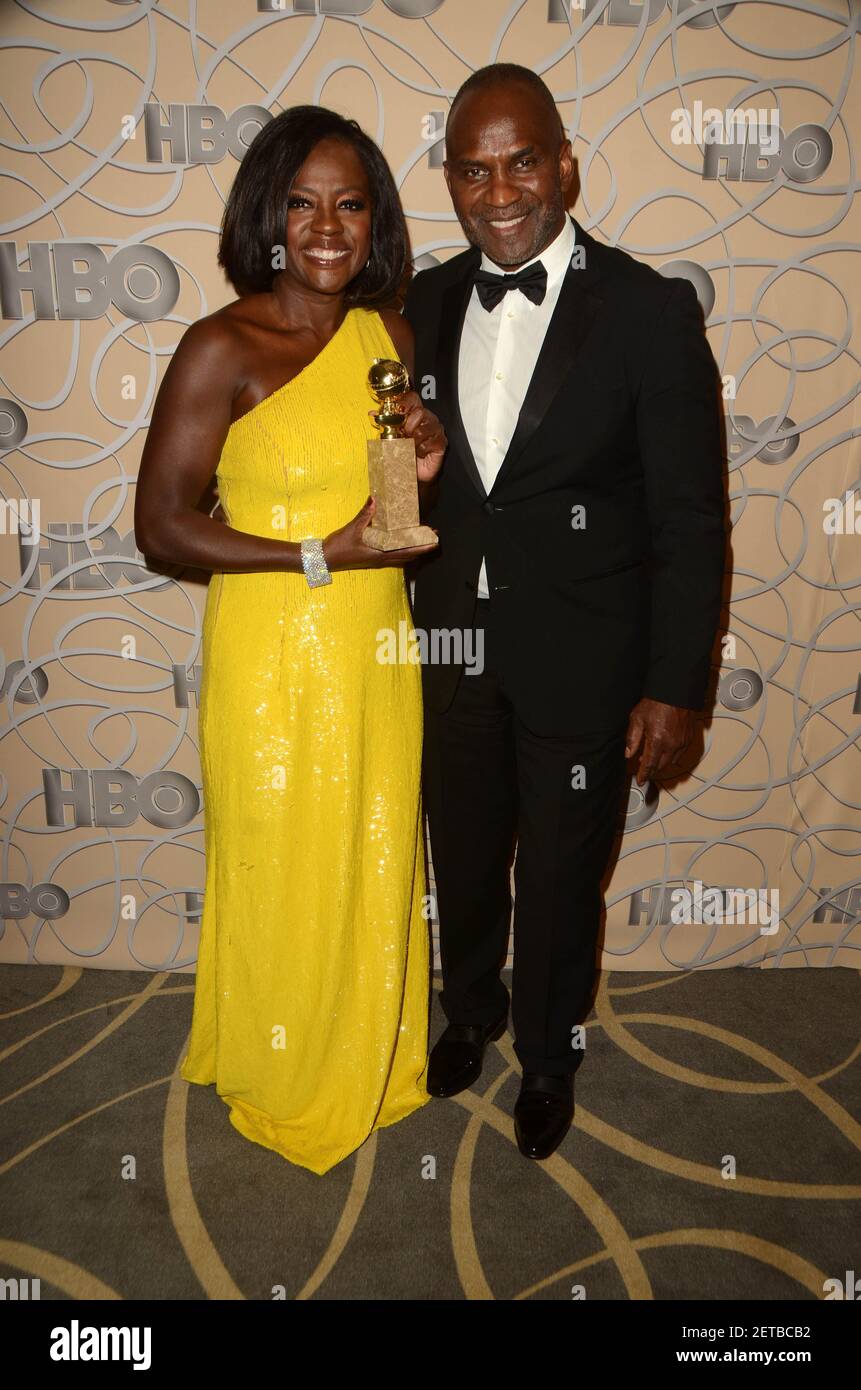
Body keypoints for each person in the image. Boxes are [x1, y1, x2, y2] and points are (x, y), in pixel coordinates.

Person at [404, 64, 726, 1160]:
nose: (499, 192)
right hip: (451, 641)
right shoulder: (425, 302)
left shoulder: (645, 310)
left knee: (558, 873)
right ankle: (472, 1010)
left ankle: (548, 1053)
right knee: (464, 846)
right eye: (473, 170)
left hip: (586, 658)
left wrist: (676, 685)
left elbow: (691, 518)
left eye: (522, 161)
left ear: (566, 165)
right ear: (450, 179)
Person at [134, 106, 446, 1176]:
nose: (326, 226)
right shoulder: (220, 345)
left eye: (350, 202)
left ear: (374, 221)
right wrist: (320, 553)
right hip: (269, 656)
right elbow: (163, 526)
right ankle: (280, 1063)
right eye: (304, 201)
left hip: (373, 648)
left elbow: (391, 522)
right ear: (269, 213)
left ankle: (369, 1049)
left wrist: (425, 453)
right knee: (277, 865)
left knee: (369, 854)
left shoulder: (391, 338)